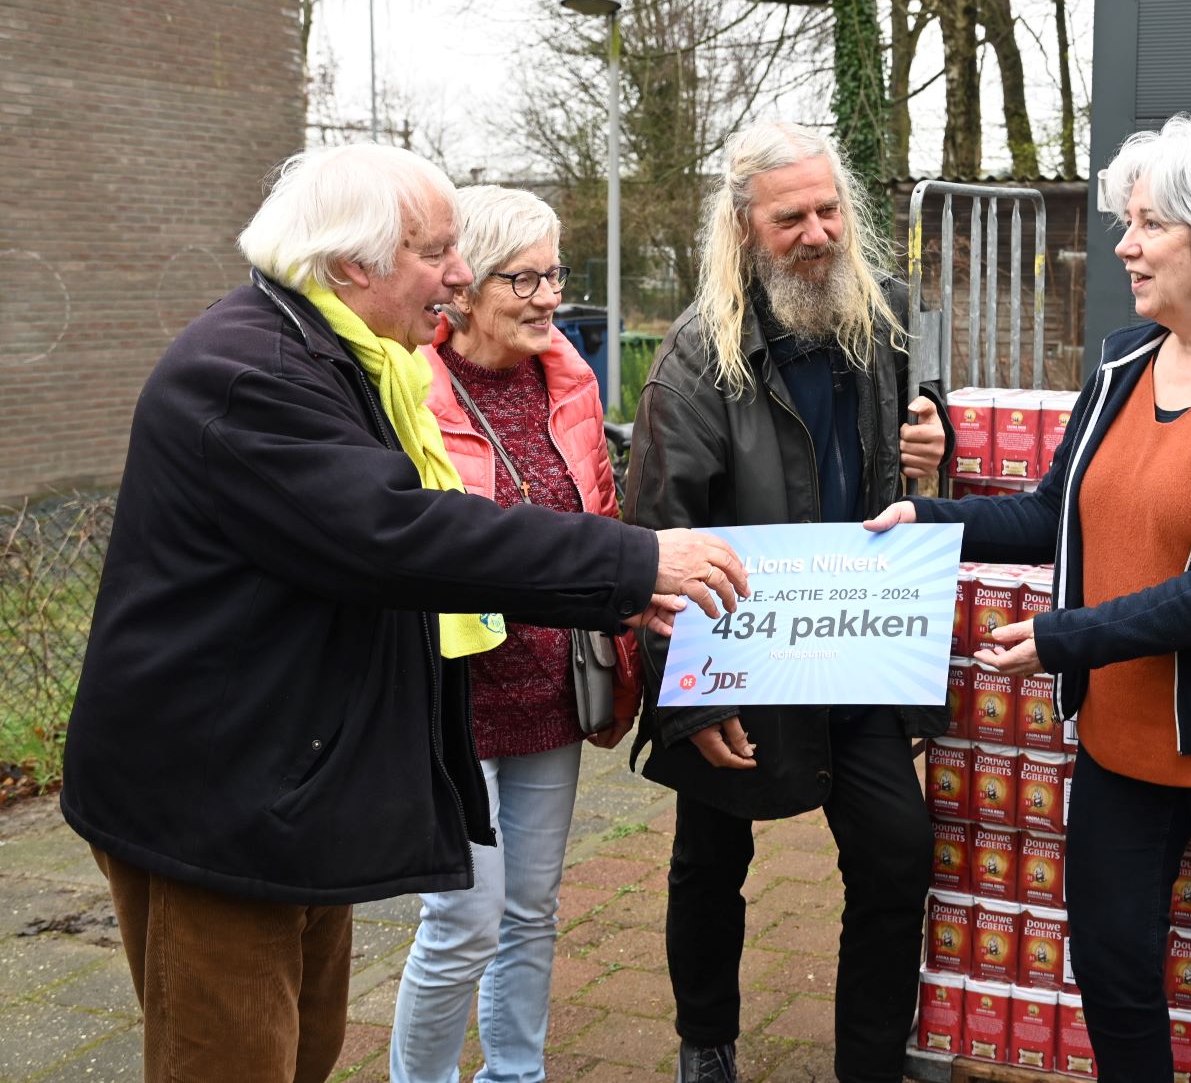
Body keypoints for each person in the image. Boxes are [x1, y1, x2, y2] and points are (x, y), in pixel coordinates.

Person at [58, 143, 749, 1083]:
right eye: (435, 252)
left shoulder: (344, 357)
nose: (459, 276)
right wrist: (634, 563)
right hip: (213, 805)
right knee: (228, 1059)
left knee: (301, 1051)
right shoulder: (249, 375)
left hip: (288, 786)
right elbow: (402, 535)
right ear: (353, 264)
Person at [868, 114, 1191, 1082]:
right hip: (1122, 738)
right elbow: (1060, 513)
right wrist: (930, 522)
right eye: (1125, 222)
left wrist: (1069, 638)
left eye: (1148, 227)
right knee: (1109, 960)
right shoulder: (1122, 364)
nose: (1123, 246)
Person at [623, 120, 950, 1083]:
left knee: (896, 858)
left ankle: (871, 1063)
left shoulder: (887, 319)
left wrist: (935, 457)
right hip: (738, 655)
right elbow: (657, 531)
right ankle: (705, 1043)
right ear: (744, 228)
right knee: (710, 862)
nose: (817, 233)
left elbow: (926, 464)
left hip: (856, 655)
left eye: (828, 209)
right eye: (790, 217)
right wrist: (689, 702)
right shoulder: (697, 354)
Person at [384, 185, 632, 1082]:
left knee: (531, 908)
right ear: (463, 285)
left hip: (548, 690)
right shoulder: (412, 385)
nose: (545, 296)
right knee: (461, 920)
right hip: (453, 698)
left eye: (553, 273)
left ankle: (515, 1075)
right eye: (521, 277)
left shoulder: (567, 379)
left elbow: (597, 513)